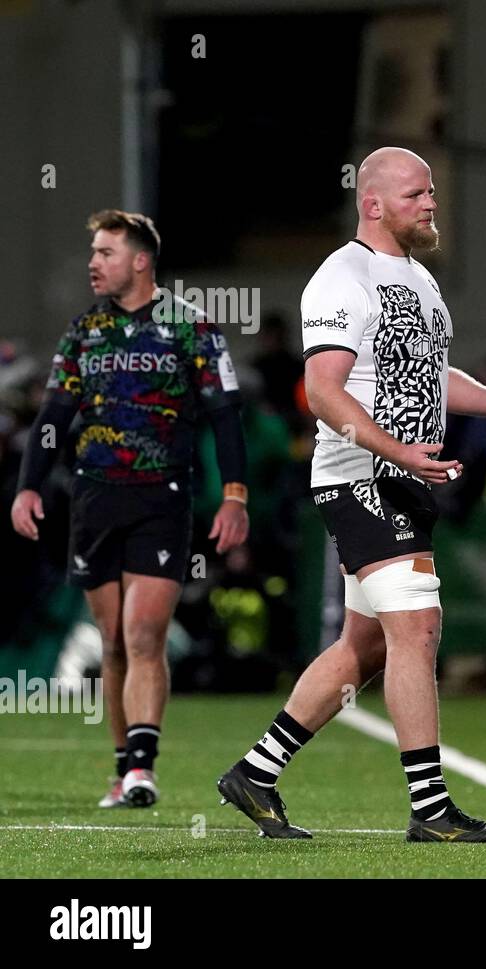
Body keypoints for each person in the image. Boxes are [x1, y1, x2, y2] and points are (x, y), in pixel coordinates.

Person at [216, 146, 486, 843]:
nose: (431, 203)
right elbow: (325, 391)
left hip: (401, 475)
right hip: (362, 476)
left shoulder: (419, 279)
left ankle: (255, 773)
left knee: (365, 645)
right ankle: (431, 809)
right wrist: (396, 451)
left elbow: (431, 373)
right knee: (419, 629)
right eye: (417, 194)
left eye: (431, 193)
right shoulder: (343, 275)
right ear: (373, 204)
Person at [10, 209, 249, 808]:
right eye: (93, 252)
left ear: (140, 260)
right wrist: (29, 485)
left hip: (162, 498)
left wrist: (235, 495)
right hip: (94, 499)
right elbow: (53, 420)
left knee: (145, 634)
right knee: (113, 640)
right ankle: (123, 767)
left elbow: (225, 418)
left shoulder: (190, 328)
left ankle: (143, 767)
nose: (94, 262)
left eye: (106, 252)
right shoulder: (83, 332)